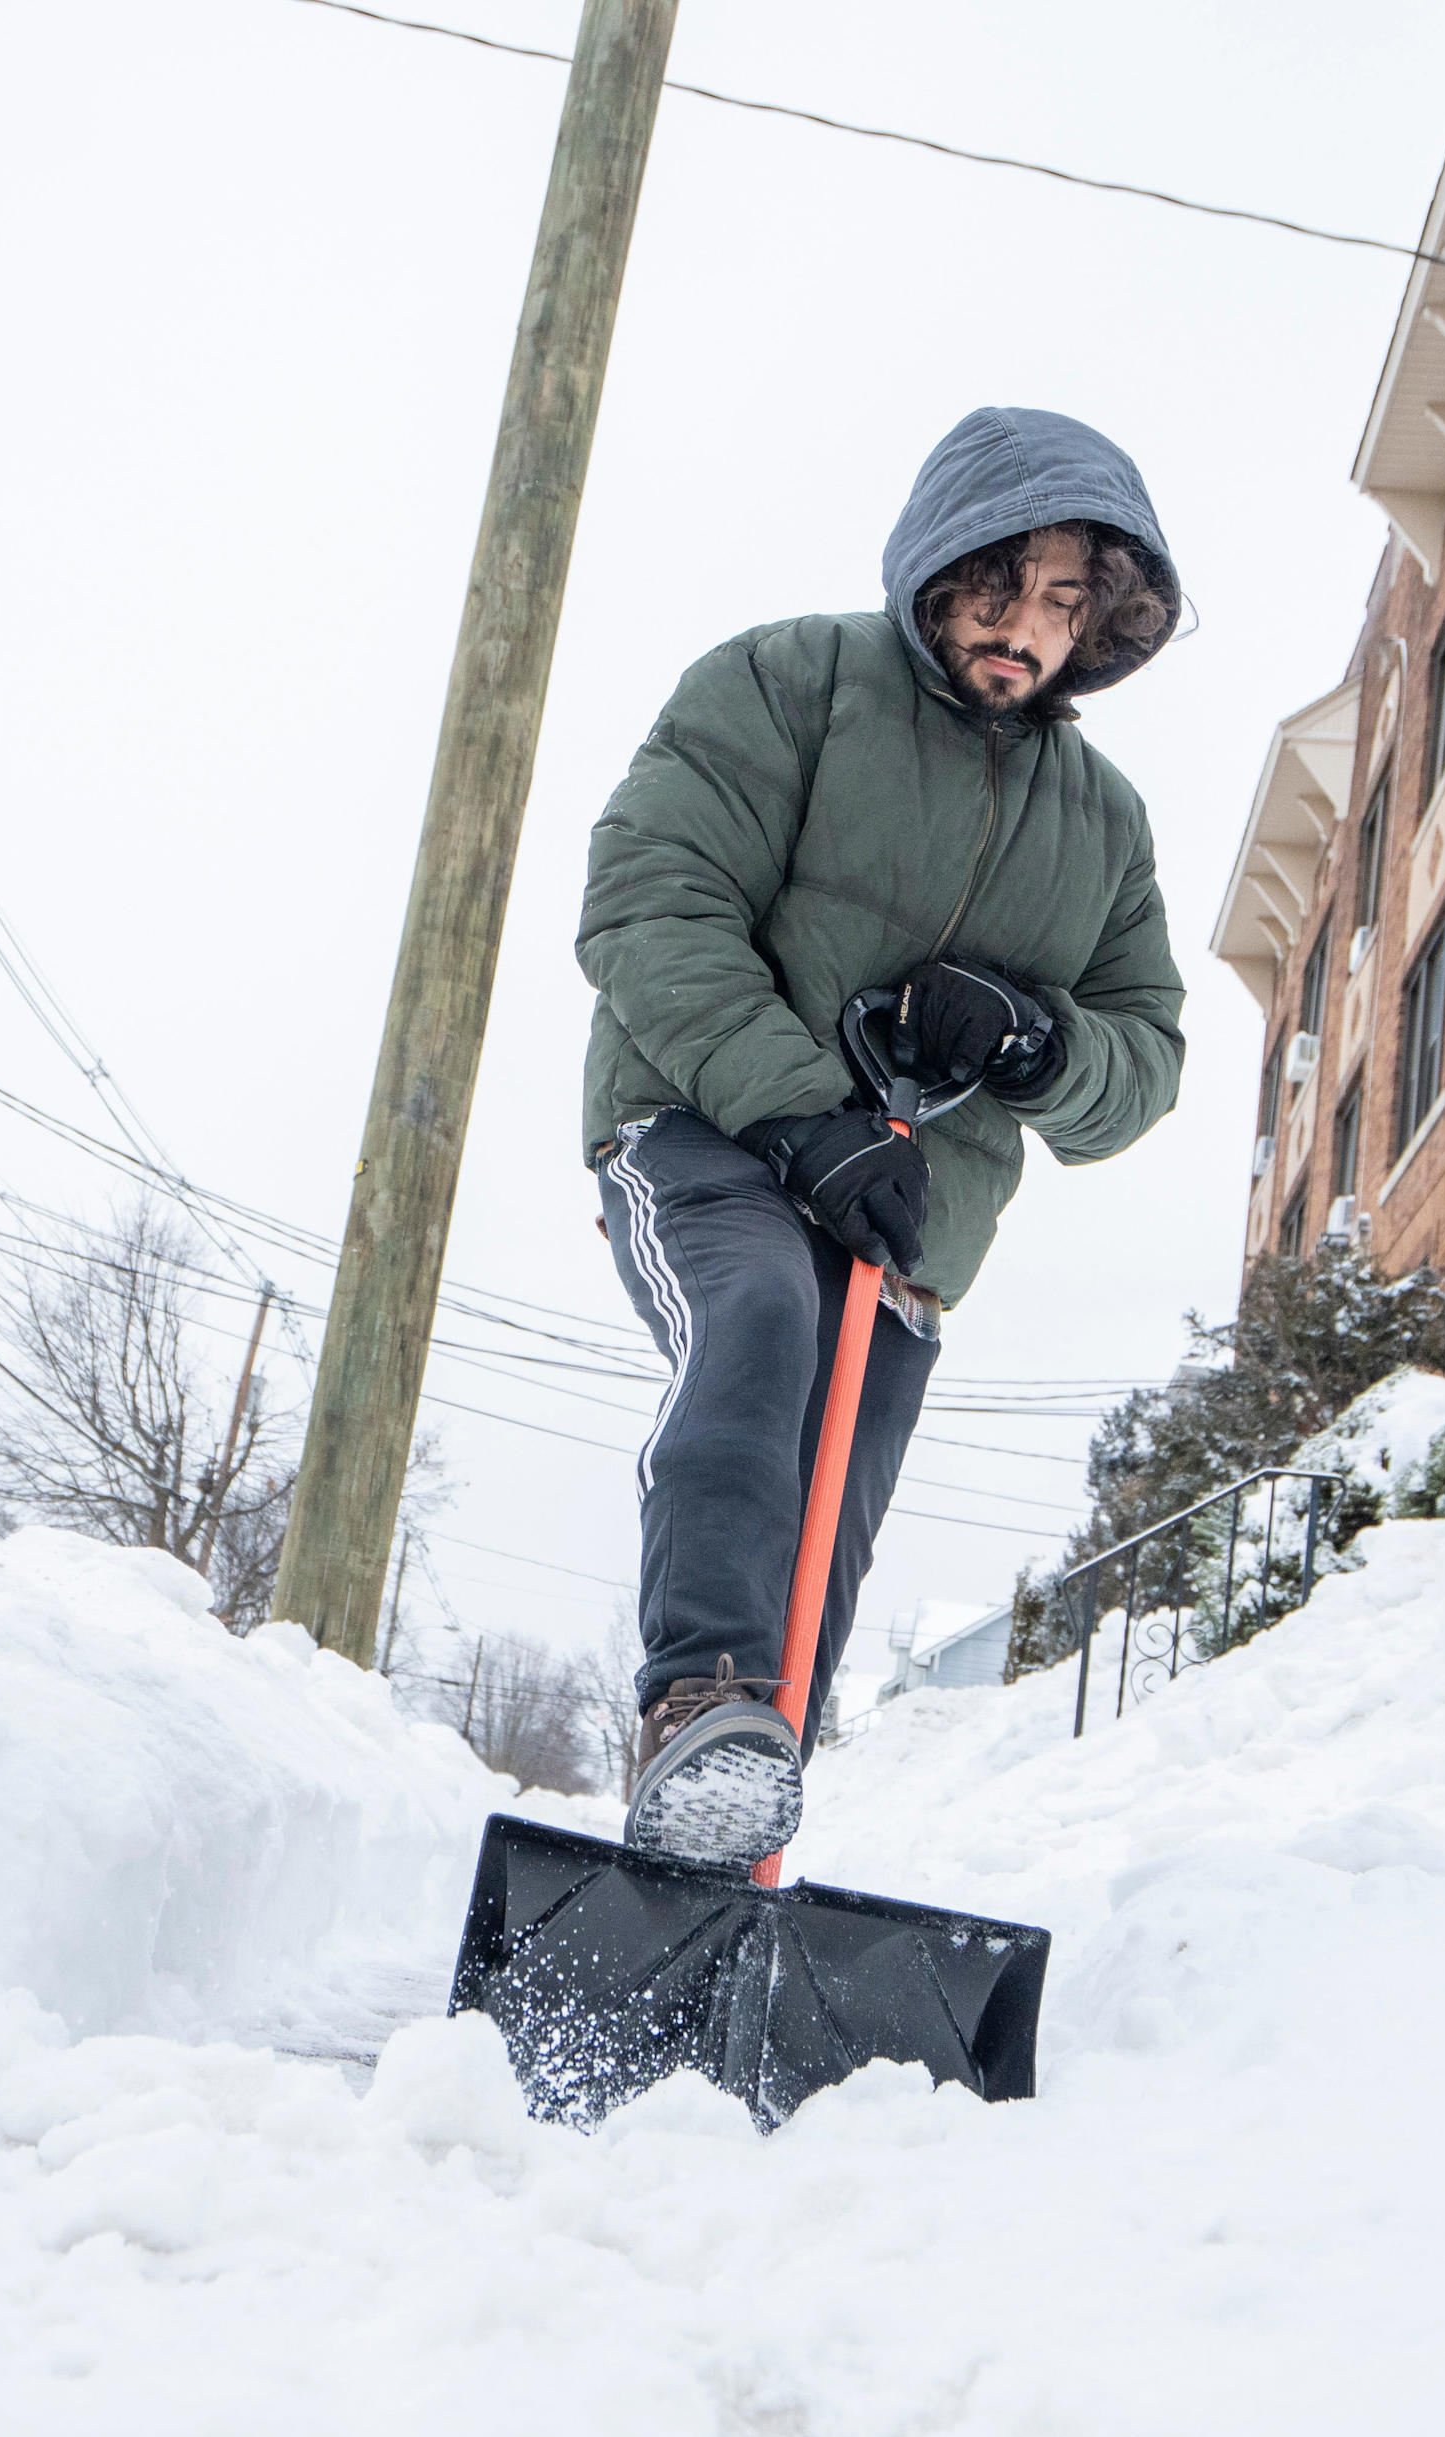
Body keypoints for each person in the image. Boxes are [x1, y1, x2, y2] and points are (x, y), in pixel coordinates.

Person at [579, 406, 1189, 1863]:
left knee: (831, 1510)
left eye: (1061, 604)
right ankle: (698, 1706)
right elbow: (648, 902)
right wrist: (800, 1111)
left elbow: (1143, 1062)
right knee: (760, 1323)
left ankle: (734, 1813)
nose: (1022, 630)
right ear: (936, 567)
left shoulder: (1101, 821)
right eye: (998, 585)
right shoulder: (787, 683)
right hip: (709, 1132)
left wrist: (1037, 1039)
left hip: (911, 1217)